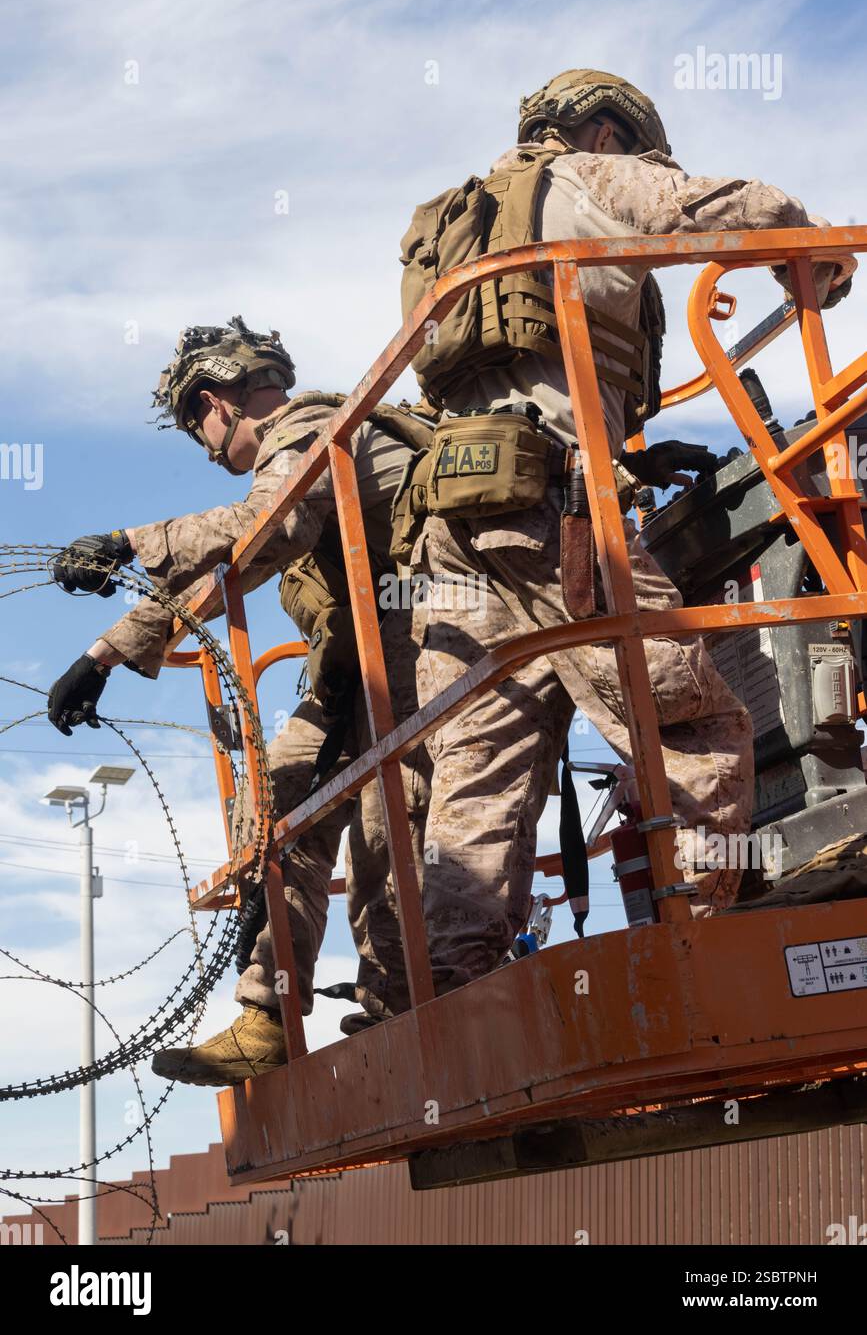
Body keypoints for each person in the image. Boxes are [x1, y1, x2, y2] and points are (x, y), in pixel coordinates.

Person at [397, 69, 856, 996]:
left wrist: (627, 457)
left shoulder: (459, 219)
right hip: (552, 511)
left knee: (482, 758)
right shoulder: (585, 179)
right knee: (690, 715)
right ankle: (707, 939)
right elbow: (735, 205)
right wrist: (818, 260)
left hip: (451, 524)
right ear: (603, 131)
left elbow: (512, 379)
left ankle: (455, 991)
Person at [48, 316, 433, 1082]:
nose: (201, 441)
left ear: (217, 400)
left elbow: (268, 523)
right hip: (365, 671)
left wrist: (127, 542)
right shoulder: (303, 445)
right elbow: (229, 573)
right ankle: (268, 1020)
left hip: (431, 647)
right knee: (278, 803)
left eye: (195, 420)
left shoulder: (314, 424)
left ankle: (403, 1014)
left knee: (386, 835)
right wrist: (103, 655)